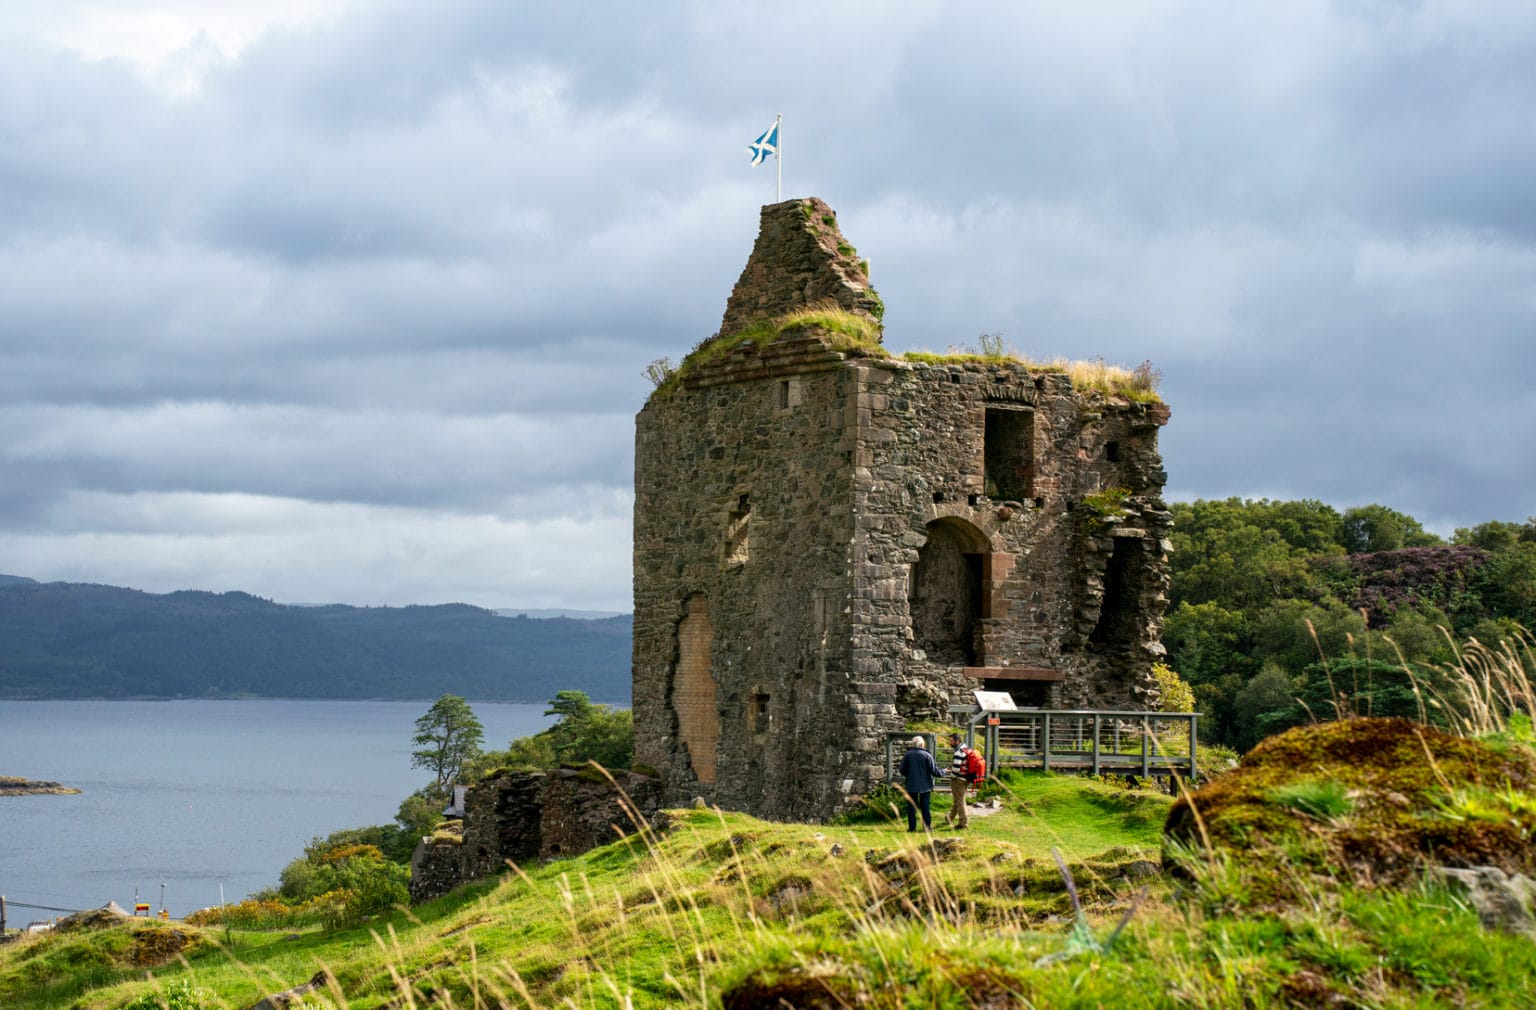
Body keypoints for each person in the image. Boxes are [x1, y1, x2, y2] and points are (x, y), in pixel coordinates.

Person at [897, 734, 940, 833]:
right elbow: (934, 771)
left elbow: (902, 770)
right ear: (921, 744)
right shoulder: (927, 755)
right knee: (925, 808)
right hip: (925, 785)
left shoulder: (908, 755)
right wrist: (943, 771)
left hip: (911, 784)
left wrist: (910, 774)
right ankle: (927, 828)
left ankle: (912, 828)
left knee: (911, 808)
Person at [945, 733, 972, 829]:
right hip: (966, 778)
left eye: (951, 741)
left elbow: (956, 769)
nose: (950, 743)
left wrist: (951, 777)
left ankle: (963, 823)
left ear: (957, 741)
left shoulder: (958, 752)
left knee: (960, 800)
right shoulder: (967, 748)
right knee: (957, 799)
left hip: (958, 779)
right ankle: (950, 818)